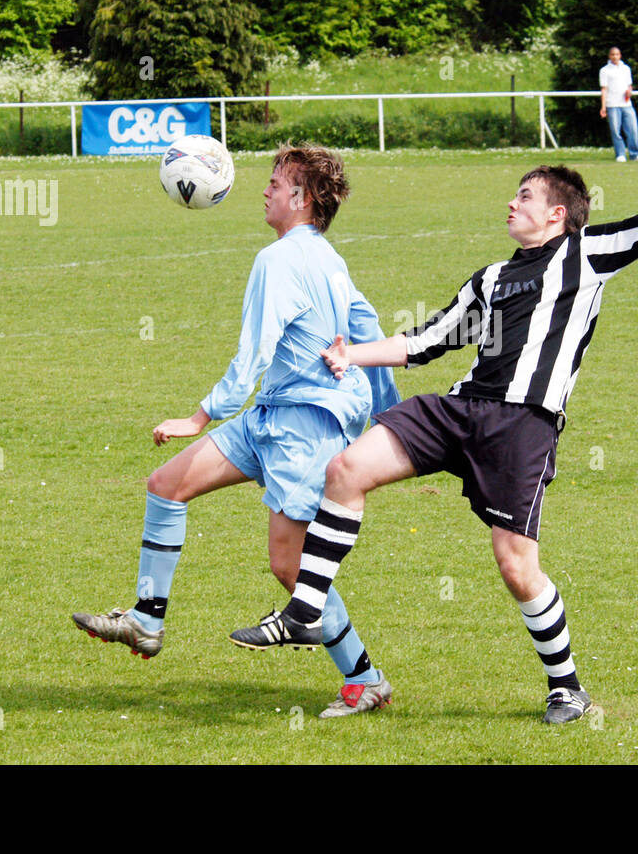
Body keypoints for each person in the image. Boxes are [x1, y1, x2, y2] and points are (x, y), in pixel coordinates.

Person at [229, 121, 638, 724]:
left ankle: (566, 689)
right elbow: (425, 341)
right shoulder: (490, 280)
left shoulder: (586, 254)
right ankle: (306, 611)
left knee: (516, 567)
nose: (511, 202)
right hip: (458, 409)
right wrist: (351, 354)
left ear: (556, 215)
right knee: (346, 469)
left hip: (522, 426)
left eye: (525, 196)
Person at [72, 143, 402, 718]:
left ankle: (365, 679)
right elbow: (364, 325)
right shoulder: (327, 257)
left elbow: (254, 353)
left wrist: (200, 416)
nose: (266, 189)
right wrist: (387, 412)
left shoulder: (278, 260)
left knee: (290, 567)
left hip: (305, 423)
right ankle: (146, 620)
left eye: (276, 181)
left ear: (300, 197)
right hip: (272, 415)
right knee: (165, 486)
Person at [599, 47, 638, 162]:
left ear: (620, 55)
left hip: (626, 104)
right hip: (612, 104)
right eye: (612, 55)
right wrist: (603, 107)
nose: (615, 57)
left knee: (633, 129)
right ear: (609, 56)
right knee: (616, 130)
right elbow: (604, 89)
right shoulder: (604, 70)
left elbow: (629, 85)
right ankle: (620, 154)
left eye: (617, 54)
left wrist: (629, 91)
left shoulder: (626, 69)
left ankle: (635, 153)